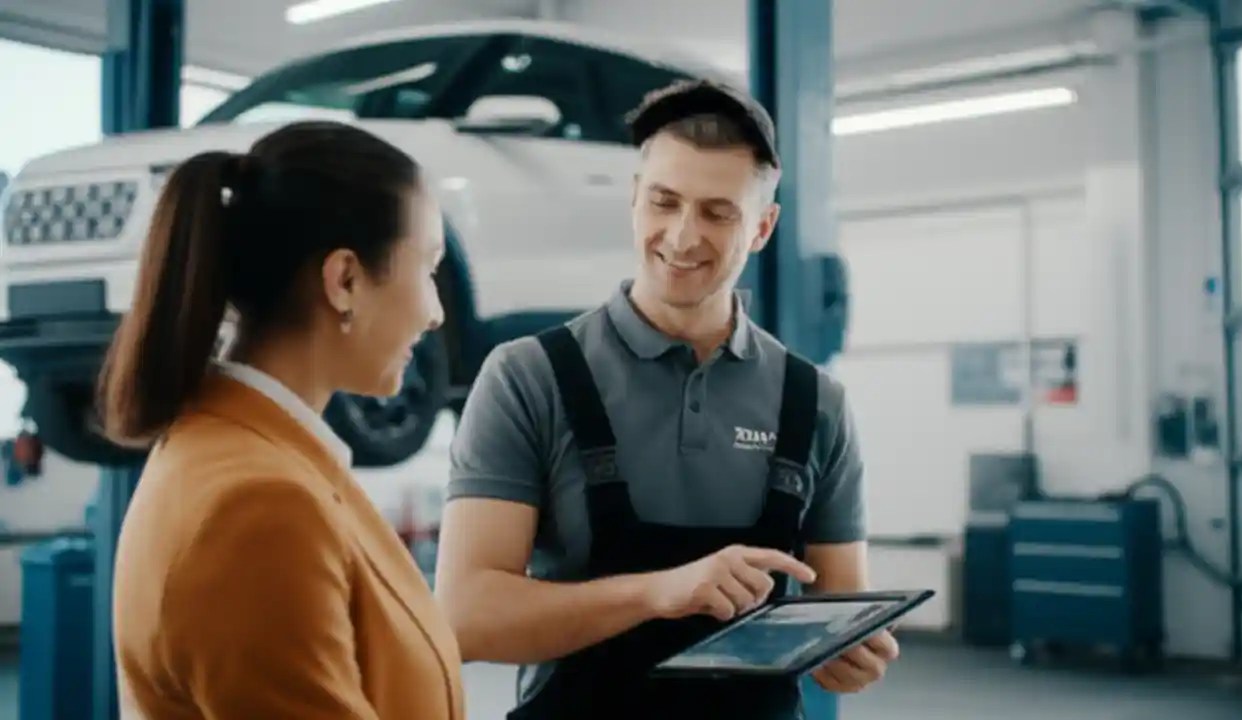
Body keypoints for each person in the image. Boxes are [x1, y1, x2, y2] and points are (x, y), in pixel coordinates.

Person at [436, 79, 898, 720]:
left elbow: (840, 619)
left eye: (717, 212)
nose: (682, 237)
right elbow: (466, 619)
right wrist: (661, 593)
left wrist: (851, 657)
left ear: (762, 226)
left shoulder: (815, 403)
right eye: (664, 202)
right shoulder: (529, 377)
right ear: (633, 201)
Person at [99, 121, 463, 719]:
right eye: (427, 269)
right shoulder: (259, 505)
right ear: (344, 280)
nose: (435, 313)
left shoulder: (250, 457)